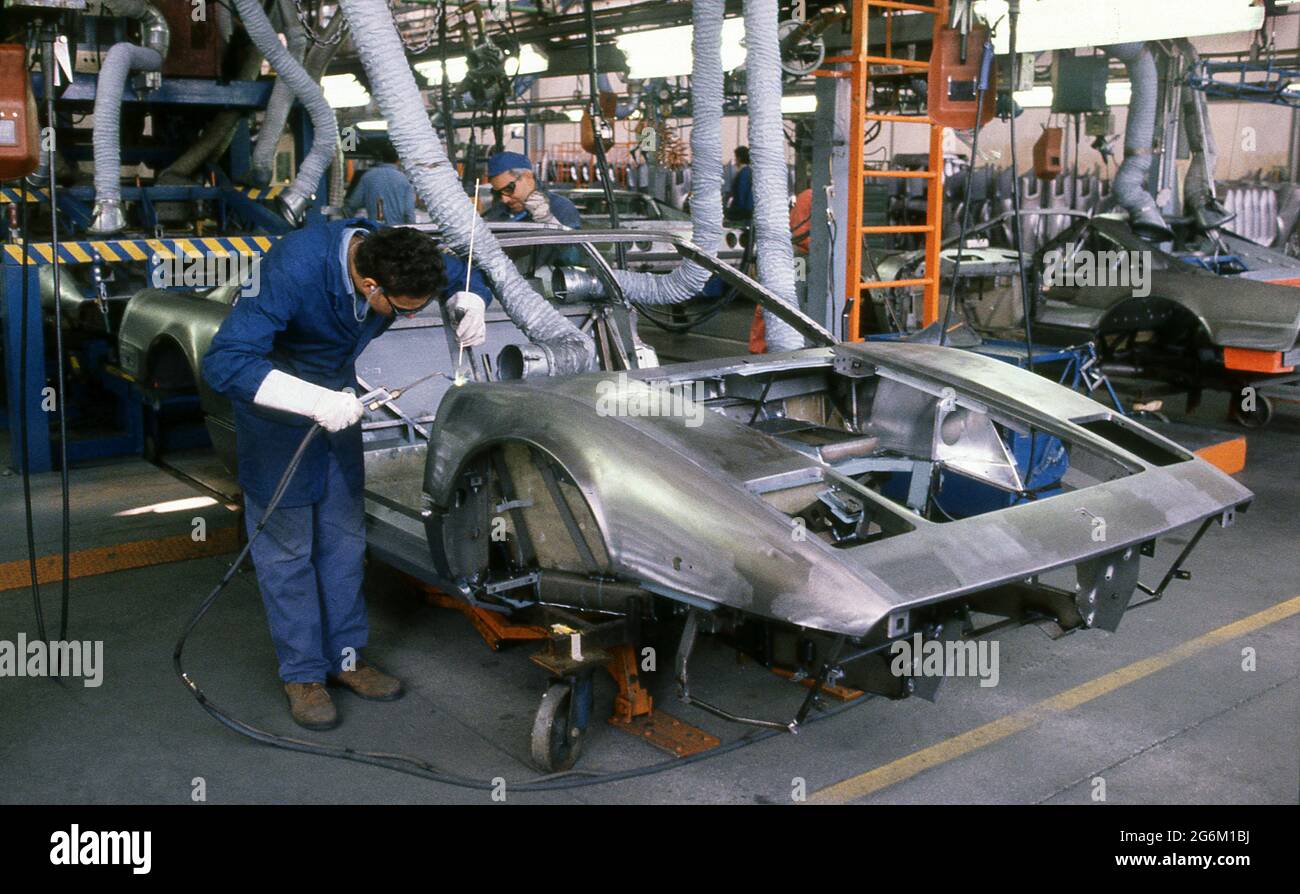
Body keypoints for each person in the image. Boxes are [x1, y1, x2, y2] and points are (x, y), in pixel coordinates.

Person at [202, 219, 491, 730]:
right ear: (369, 285)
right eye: (403, 311)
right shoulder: (292, 268)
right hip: (277, 412)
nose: (411, 316)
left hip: (339, 407)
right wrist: (311, 401)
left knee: (342, 541)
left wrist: (471, 297)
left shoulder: (397, 251)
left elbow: (458, 272)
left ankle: (347, 660)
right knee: (288, 553)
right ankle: (303, 674)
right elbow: (225, 362)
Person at [482, 151, 584, 269]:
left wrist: (550, 222)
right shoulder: (498, 212)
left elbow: (574, 259)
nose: (504, 199)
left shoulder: (561, 209)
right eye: (498, 193)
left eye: (509, 189)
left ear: (528, 176)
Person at [343, 142, 417, 224]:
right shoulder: (404, 179)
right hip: (398, 232)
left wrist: (350, 225)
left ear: (382, 158)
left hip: (376, 231)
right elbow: (409, 212)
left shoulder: (368, 176)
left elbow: (352, 205)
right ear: (398, 160)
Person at [726, 146, 754, 222]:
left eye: (736, 157)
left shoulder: (744, 172)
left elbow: (742, 192)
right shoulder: (747, 171)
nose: (735, 160)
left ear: (739, 158)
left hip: (742, 210)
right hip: (745, 208)